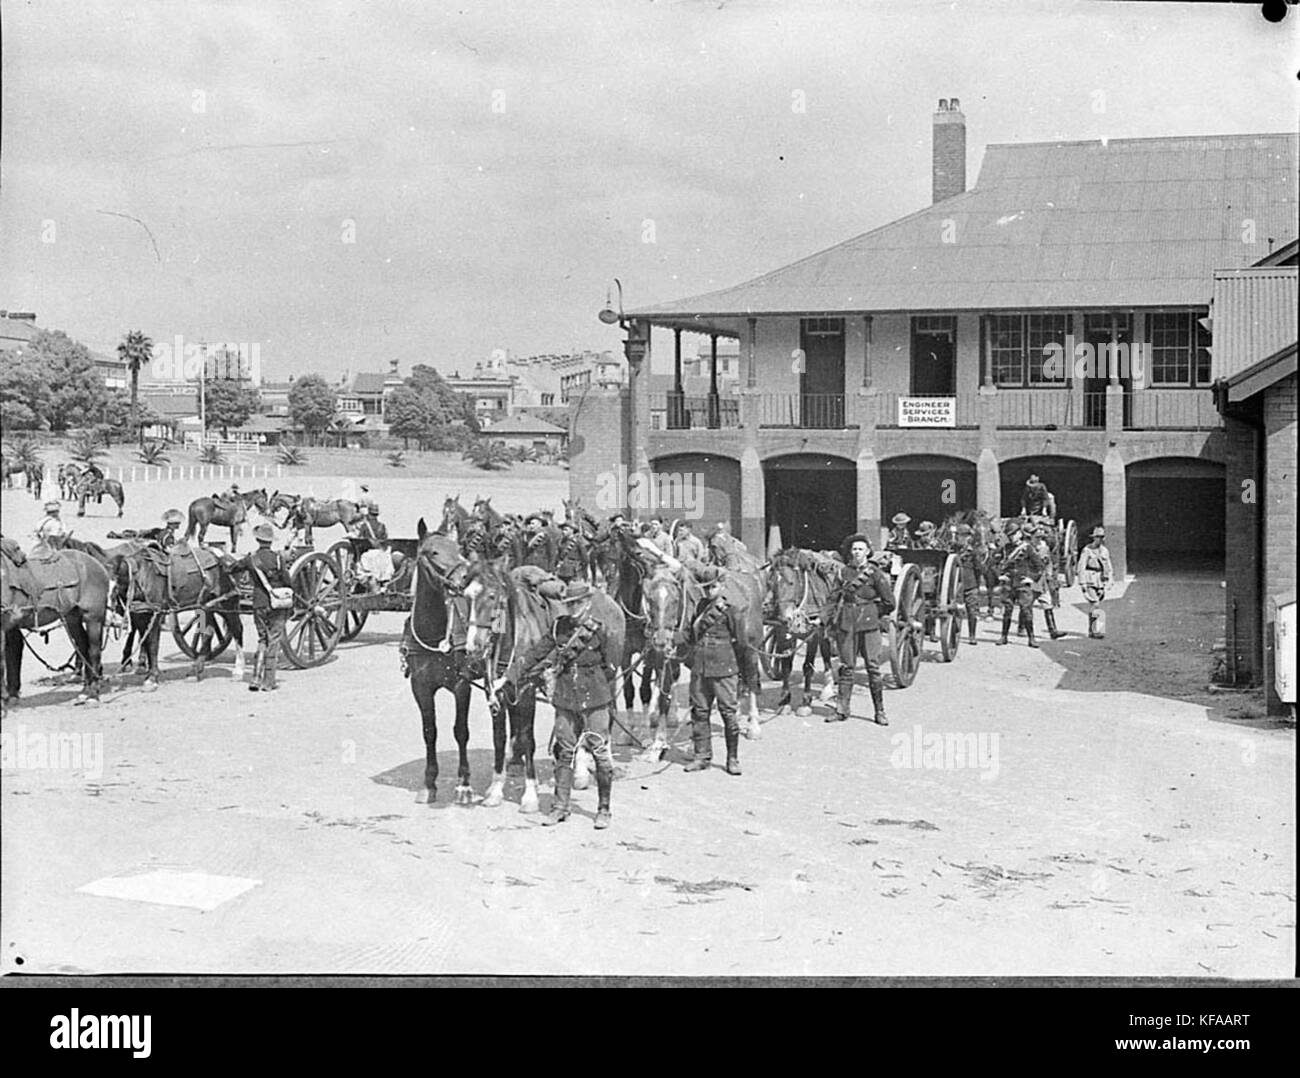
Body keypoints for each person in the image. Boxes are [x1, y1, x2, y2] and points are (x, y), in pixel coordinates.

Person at [495, 580, 621, 830]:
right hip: (565, 697)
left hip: (595, 698)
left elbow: (611, 665)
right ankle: (560, 807)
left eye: (578, 603)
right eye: (569, 604)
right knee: (563, 752)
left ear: (587, 602)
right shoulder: (558, 627)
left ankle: (604, 809)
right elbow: (535, 654)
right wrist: (509, 677)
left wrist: (596, 689)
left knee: (599, 753)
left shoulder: (600, 629)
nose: (573, 607)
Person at [681, 565, 749, 776]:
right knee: (699, 712)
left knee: (728, 714)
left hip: (724, 669)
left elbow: (742, 644)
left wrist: (737, 672)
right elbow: (690, 635)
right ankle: (702, 756)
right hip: (700, 669)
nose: (709, 591)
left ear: (722, 585)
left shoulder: (731, 610)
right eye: (706, 587)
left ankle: (732, 758)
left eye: (713, 587)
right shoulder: (700, 607)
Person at [825, 533, 894, 725]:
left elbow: (890, 602)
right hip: (847, 624)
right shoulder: (842, 573)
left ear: (868, 552)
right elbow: (832, 599)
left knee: (873, 668)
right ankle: (842, 710)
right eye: (854, 549)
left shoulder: (876, 574)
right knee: (846, 668)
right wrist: (823, 619)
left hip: (869, 625)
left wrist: (871, 612)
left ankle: (879, 712)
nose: (857, 552)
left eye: (861, 549)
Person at [227, 522, 292, 691]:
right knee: (274, 640)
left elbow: (233, 568)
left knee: (262, 639)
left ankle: (255, 678)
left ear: (258, 540)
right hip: (277, 605)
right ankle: (269, 681)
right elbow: (287, 580)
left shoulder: (251, 558)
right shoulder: (279, 558)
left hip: (259, 604)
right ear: (271, 541)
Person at [996, 522, 1046, 648]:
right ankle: (1004, 637)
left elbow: (1040, 566)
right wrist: (1000, 575)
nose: (1012, 537)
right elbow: (994, 562)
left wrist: (1031, 578)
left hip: (1023, 585)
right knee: (1007, 611)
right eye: (1010, 535)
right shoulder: (1005, 548)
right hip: (1009, 584)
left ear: (1019, 533)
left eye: (1014, 534)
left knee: (1026, 611)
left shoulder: (1027, 548)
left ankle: (1032, 638)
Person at [1029, 522, 1066, 640]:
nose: (1039, 540)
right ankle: (1022, 628)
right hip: (1031, 581)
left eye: (1040, 538)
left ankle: (1053, 631)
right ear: (1031, 537)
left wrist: (1049, 574)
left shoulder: (1045, 548)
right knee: (1027, 605)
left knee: (1047, 604)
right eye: (1036, 538)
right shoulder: (1027, 548)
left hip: (1042, 581)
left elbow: (1048, 561)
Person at [1078, 526, 1114, 639]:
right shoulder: (1087, 550)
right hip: (1090, 578)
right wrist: (1082, 583)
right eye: (1098, 537)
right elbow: (1081, 567)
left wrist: (1110, 580)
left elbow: (1108, 566)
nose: (1100, 539)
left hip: (1100, 579)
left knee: (1098, 604)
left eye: (1102, 537)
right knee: (1095, 604)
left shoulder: (1104, 550)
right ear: (1094, 538)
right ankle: (1094, 631)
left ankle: (1094, 630)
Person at [954, 523, 985, 645]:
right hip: (956, 585)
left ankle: (972, 636)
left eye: (965, 536)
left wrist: (976, 585)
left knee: (972, 611)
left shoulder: (973, 552)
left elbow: (979, 569)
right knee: (956, 611)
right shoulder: (953, 549)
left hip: (970, 584)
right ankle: (953, 634)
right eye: (960, 536)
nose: (963, 538)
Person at [353, 504, 394, 591]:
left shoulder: (364, 526)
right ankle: (383, 584)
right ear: (377, 514)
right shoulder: (382, 526)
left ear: (369, 514)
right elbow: (385, 540)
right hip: (381, 555)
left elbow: (360, 539)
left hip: (368, 556)